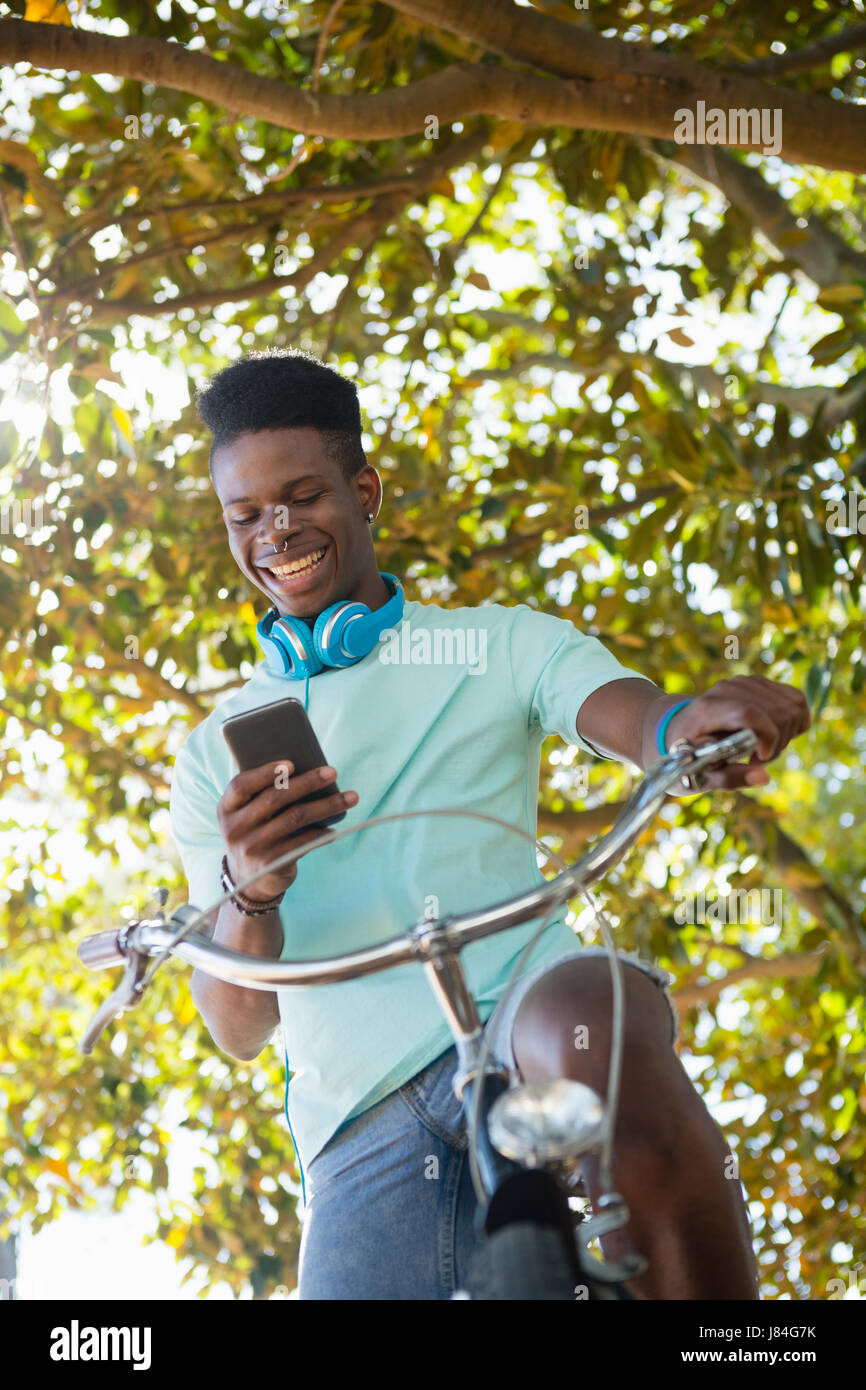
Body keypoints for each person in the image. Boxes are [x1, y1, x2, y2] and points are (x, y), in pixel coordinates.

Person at [169, 349, 811, 1300]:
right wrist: (250, 888)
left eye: (302, 496)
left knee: (594, 1008)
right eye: (246, 515)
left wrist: (690, 729)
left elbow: (632, 715)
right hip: (356, 1128)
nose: (277, 531)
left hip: (523, 1017)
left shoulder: (500, 642)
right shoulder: (206, 754)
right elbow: (239, 1024)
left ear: (366, 490)